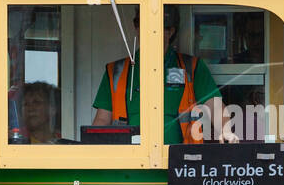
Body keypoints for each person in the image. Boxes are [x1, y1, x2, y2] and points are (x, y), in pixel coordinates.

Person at [91, 8, 238, 144]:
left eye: (157, 25)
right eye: (143, 24)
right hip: (130, 162)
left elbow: (215, 106)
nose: (149, 31)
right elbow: (102, 120)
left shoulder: (192, 67)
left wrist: (226, 130)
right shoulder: (116, 71)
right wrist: (92, 147)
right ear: (137, 28)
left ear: (170, 31)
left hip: (182, 162)